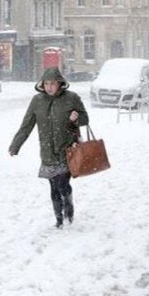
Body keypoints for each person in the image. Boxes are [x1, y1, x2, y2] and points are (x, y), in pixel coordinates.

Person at [9, 67, 89, 228]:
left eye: (53, 83)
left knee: (62, 184)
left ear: (60, 83)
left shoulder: (71, 98)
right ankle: (59, 220)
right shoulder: (37, 101)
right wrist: (15, 145)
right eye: (46, 83)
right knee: (53, 187)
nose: (49, 87)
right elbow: (26, 125)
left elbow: (85, 119)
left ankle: (69, 212)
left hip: (67, 150)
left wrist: (76, 118)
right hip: (47, 152)